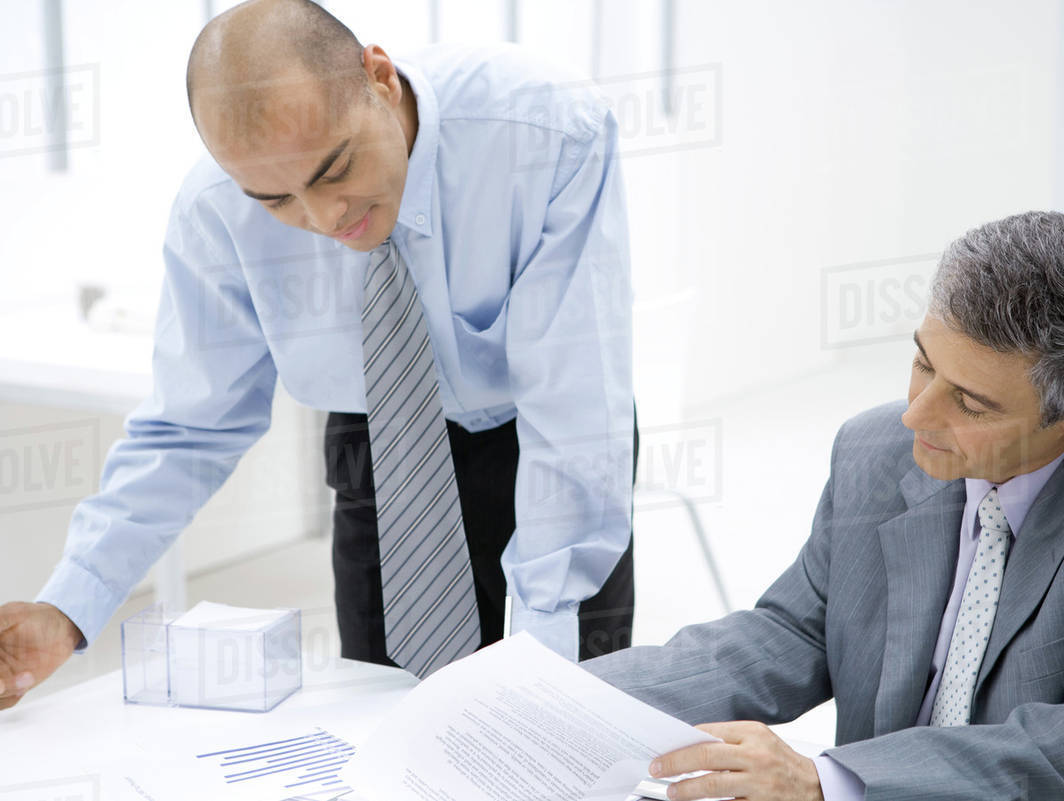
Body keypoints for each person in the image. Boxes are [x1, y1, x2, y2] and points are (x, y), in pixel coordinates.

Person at [0, 0, 637, 710]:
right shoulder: (217, 211)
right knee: (388, 718)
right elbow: (189, 427)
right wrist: (69, 603)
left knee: (564, 722)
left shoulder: (545, 131)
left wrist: (544, 674)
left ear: (380, 77)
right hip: (384, 456)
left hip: (540, 444)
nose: (325, 218)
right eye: (277, 200)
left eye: (336, 168)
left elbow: (572, 407)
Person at [585, 211, 1064, 800]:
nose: (915, 415)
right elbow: (792, 632)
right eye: (922, 364)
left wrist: (822, 784)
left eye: (972, 404)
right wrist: (576, 701)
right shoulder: (874, 449)